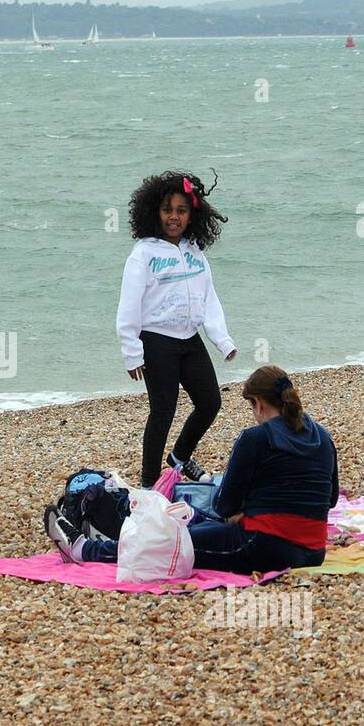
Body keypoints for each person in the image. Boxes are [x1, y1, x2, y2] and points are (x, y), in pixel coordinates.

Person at [47, 365, 337, 575]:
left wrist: (244, 511)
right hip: (314, 551)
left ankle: (83, 549)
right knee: (199, 528)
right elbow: (331, 499)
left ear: (258, 404)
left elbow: (225, 505)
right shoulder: (322, 436)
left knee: (163, 543)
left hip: (266, 546)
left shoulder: (256, 438)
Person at [116, 170, 236, 488]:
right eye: (168, 209)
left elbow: (208, 299)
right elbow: (128, 306)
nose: (174, 217)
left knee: (210, 402)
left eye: (181, 211)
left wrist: (222, 340)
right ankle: (149, 484)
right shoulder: (143, 253)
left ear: (191, 215)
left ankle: (178, 460)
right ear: (155, 212)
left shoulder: (195, 251)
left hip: (189, 338)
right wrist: (131, 351)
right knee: (163, 411)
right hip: (156, 340)